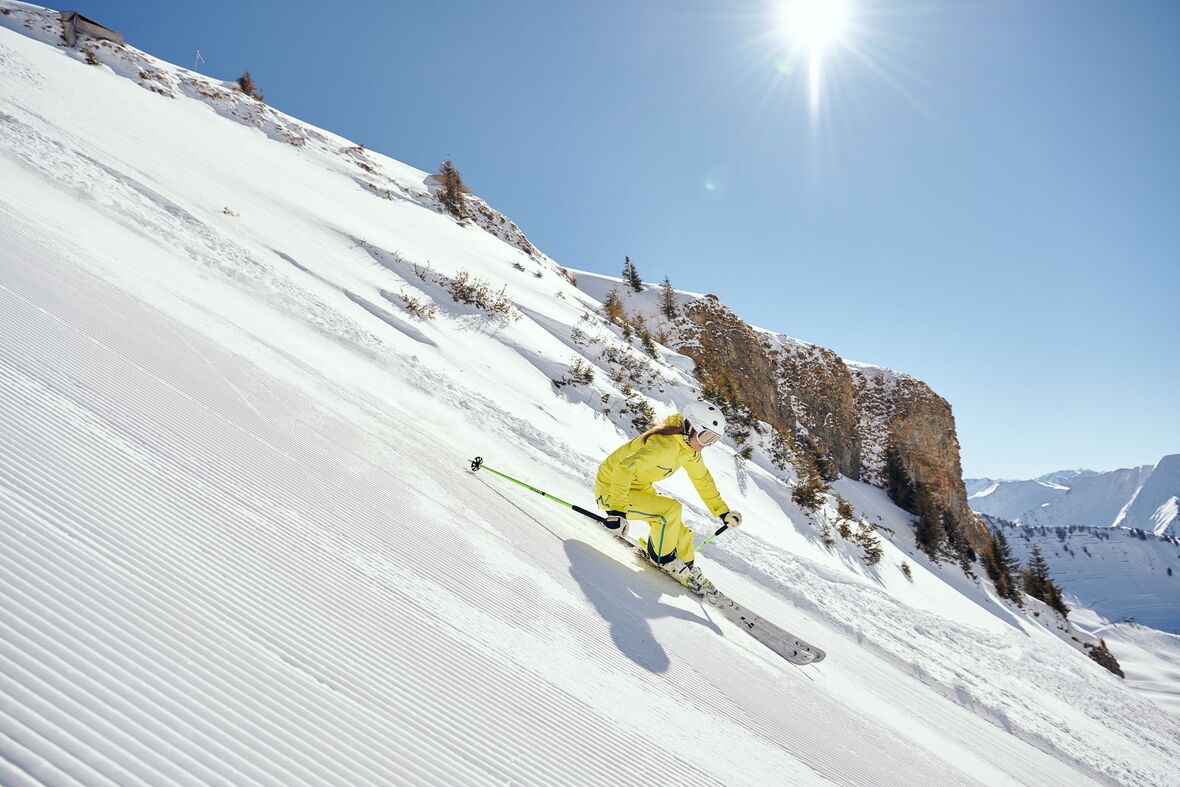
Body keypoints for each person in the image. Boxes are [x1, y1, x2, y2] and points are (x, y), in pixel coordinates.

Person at [594, 400, 742, 585]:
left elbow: (702, 480)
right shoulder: (663, 446)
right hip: (611, 490)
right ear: (690, 426)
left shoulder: (688, 449)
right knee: (669, 510)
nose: (706, 445)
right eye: (705, 437)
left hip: (638, 488)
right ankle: (663, 559)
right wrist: (617, 511)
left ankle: (685, 565)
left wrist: (723, 512)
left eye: (713, 440)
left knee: (681, 533)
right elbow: (623, 469)